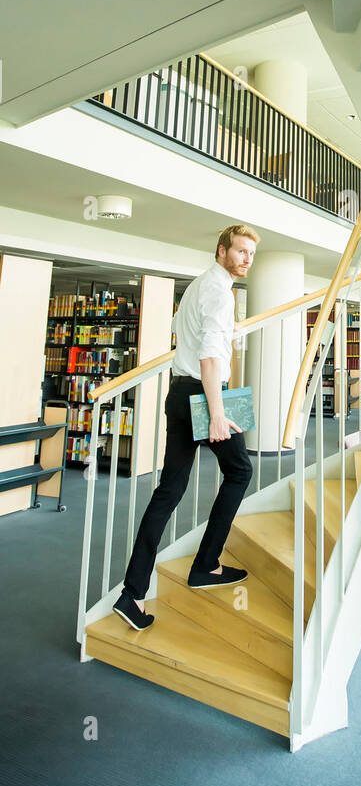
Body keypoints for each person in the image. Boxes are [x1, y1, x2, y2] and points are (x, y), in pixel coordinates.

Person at [113, 224, 259, 630]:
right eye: (241, 250)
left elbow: (191, 338)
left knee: (170, 489)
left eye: (251, 253)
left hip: (180, 392)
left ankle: (132, 593)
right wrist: (215, 412)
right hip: (203, 394)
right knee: (241, 470)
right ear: (221, 250)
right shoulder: (220, 292)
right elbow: (211, 358)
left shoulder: (198, 285)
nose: (247, 258)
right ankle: (206, 565)